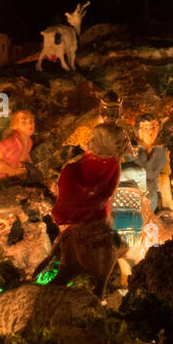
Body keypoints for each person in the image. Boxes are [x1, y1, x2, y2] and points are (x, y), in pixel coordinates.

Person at [50, 122, 128, 295]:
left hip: (73, 224)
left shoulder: (73, 167)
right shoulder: (113, 164)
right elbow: (109, 193)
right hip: (98, 219)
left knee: (63, 276)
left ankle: (47, 296)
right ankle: (101, 291)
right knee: (124, 245)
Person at [132, 113, 173, 212]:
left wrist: (168, 206)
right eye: (146, 128)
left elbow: (164, 180)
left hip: (151, 202)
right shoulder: (130, 150)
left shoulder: (162, 152)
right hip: (130, 200)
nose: (150, 131)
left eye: (154, 127)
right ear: (138, 131)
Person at [0, 109, 35, 181]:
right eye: (24, 122)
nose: (30, 124)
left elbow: (25, 154)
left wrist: (31, 167)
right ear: (15, 125)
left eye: (31, 121)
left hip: (16, 178)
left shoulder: (29, 142)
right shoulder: (11, 143)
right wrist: (12, 171)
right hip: (1, 180)